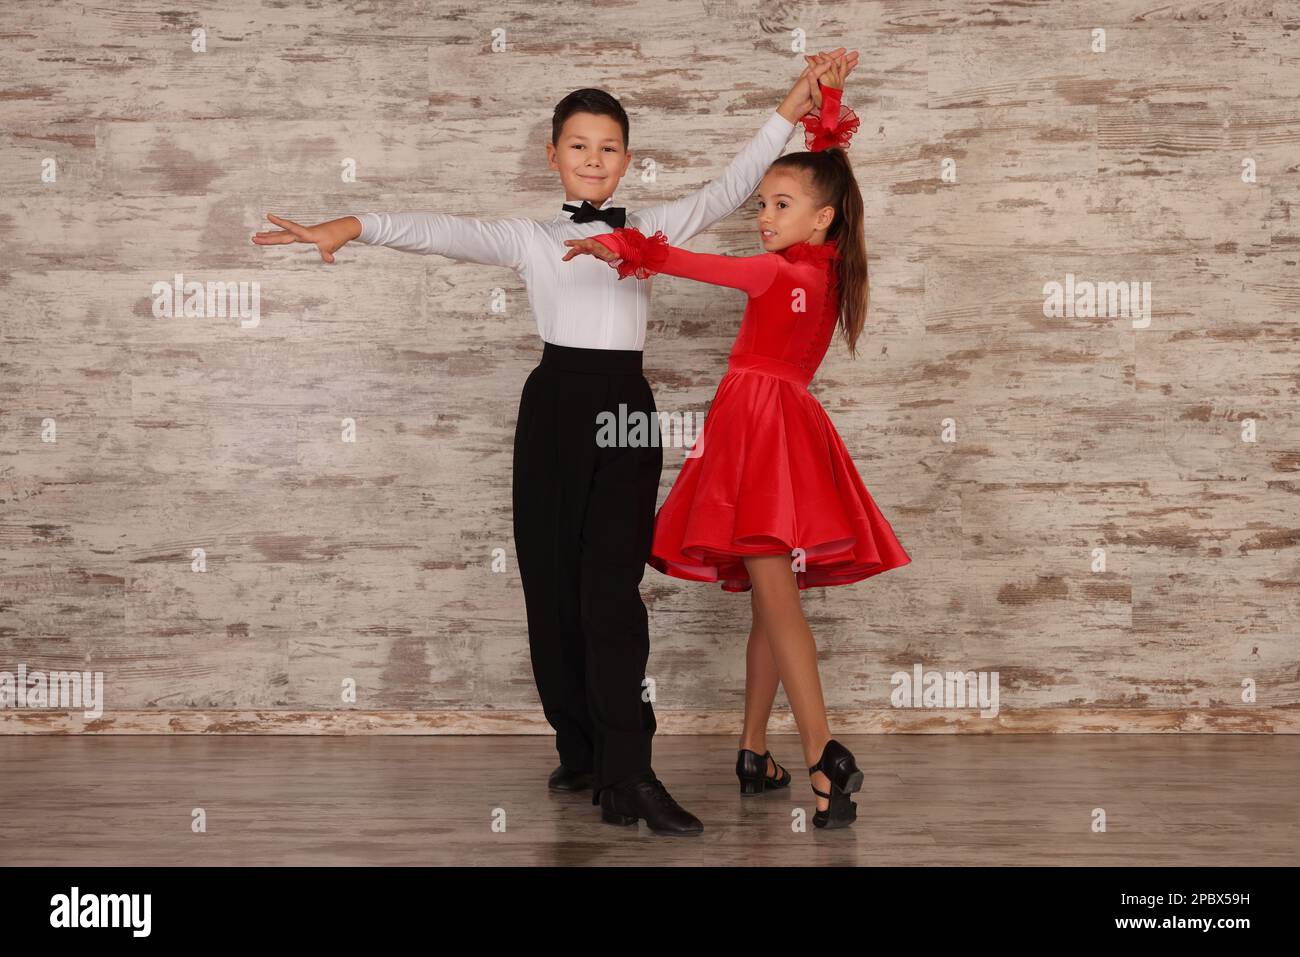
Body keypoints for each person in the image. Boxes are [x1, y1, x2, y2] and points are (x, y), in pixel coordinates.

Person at [251, 51, 859, 835]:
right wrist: (356, 225)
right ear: (554, 156)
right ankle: (580, 748)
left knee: (611, 590)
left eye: (609, 148)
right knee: (550, 585)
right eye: (579, 146)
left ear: (627, 160)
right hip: (552, 407)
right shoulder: (529, 236)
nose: (594, 160)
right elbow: (444, 231)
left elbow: (733, 185)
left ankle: (629, 771)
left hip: (627, 408)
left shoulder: (652, 229)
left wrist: (788, 107)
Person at [562, 62, 910, 830]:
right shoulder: (825, 272)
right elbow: (830, 167)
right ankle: (754, 751)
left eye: (780, 204)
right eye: (762, 203)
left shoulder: (776, 270)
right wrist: (827, 107)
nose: (763, 215)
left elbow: (696, 263)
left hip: (758, 433)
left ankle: (825, 754)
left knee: (777, 599)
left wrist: (626, 244)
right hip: (788, 428)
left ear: (821, 220)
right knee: (769, 592)